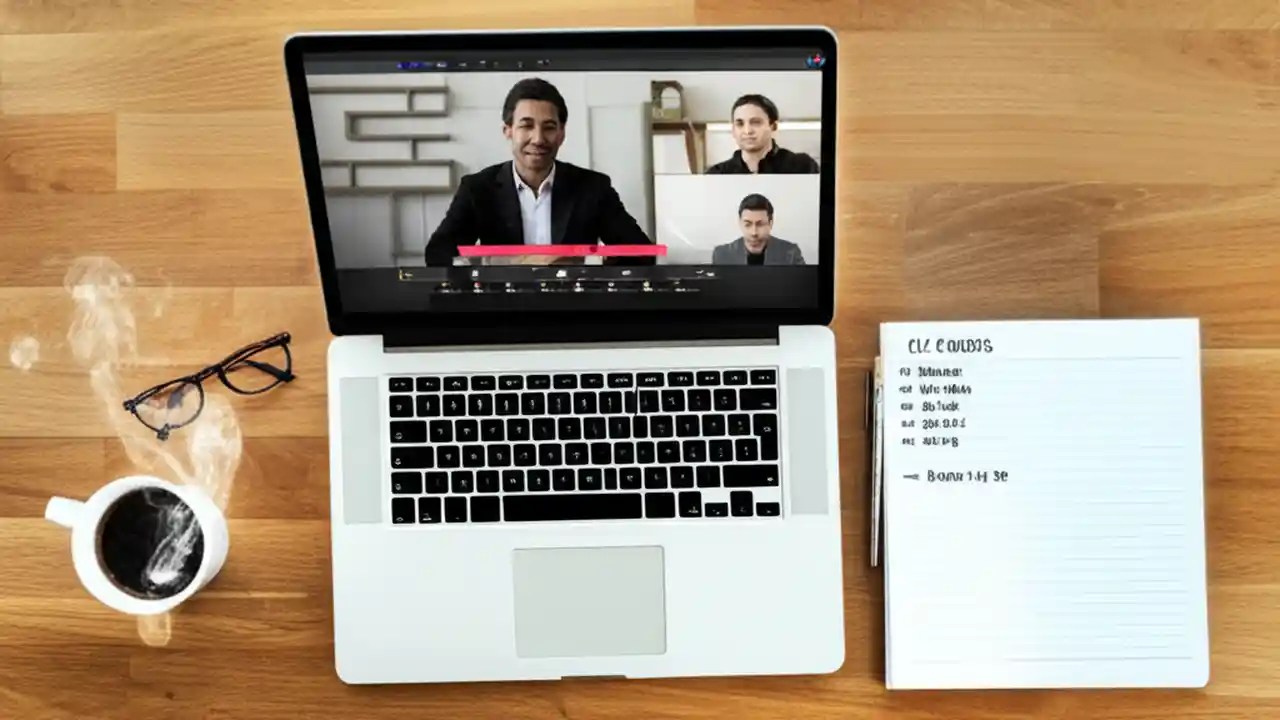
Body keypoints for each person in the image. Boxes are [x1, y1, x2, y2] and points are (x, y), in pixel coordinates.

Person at [424, 78, 653, 266]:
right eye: (526, 125)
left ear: (562, 134)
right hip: (503, 309)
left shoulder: (593, 187)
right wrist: (508, 263)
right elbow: (437, 253)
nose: (538, 139)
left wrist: (585, 262)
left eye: (549, 127)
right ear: (508, 131)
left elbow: (642, 252)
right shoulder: (477, 188)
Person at [705, 94, 820, 175]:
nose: (747, 131)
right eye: (740, 124)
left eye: (756, 123)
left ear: (773, 126)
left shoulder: (802, 166)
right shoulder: (718, 174)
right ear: (733, 130)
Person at [712, 194, 806, 265]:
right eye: (747, 224)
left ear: (771, 223)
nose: (754, 232)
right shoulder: (721, 254)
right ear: (740, 223)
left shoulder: (790, 253)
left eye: (760, 224)